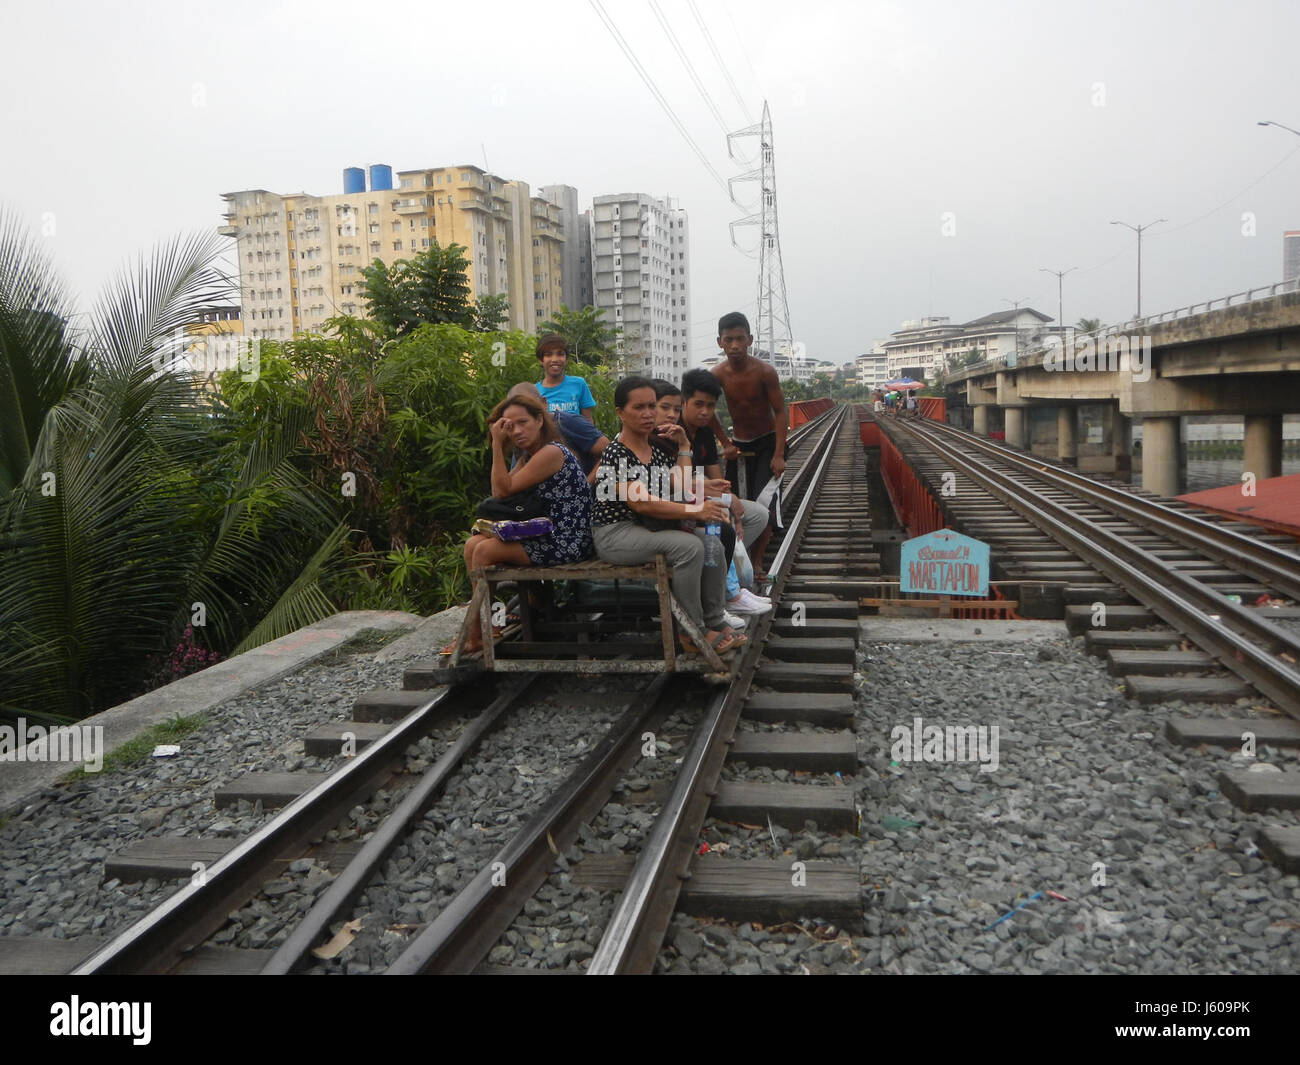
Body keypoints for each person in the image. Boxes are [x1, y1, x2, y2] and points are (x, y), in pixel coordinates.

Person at [592, 376, 745, 657]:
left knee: (712, 542)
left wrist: (684, 445)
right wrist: (695, 510)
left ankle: (714, 620)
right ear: (620, 413)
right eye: (639, 407)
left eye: (652, 406)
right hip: (616, 533)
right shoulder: (616, 452)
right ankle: (691, 630)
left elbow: (681, 485)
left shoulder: (654, 450)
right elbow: (641, 503)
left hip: (648, 528)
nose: (648, 413)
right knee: (689, 547)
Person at [455, 392, 593, 655]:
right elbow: (499, 492)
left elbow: (502, 490)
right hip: (547, 533)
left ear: (539, 421)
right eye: (510, 426)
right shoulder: (529, 456)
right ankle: (484, 629)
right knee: (472, 545)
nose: (517, 431)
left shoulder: (551, 452)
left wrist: (497, 445)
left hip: (569, 540)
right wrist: (498, 442)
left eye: (523, 422)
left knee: (483, 551)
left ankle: (475, 635)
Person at [679, 368, 772, 618]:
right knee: (719, 524)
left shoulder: (705, 433)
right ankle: (727, 591)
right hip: (685, 500)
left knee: (759, 515)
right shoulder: (674, 433)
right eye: (698, 404)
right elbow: (678, 484)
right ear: (683, 402)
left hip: (704, 495)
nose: (705, 412)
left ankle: (724, 575)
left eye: (710, 406)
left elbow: (716, 478)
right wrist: (722, 502)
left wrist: (731, 502)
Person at [706, 311, 787, 582]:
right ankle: (735, 557)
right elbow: (707, 409)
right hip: (738, 443)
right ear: (720, 342)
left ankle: (757, 562)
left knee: (764, 502)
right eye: (728, 340)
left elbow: (780, 411)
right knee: (732, 500)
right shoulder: (717, 374)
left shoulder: (764, 372)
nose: (735, 346)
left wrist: (778, 454)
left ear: (750, 340)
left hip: (767, 442)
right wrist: (724, 442)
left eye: (740, 339)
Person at [506, 382, 607, 482]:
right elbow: (509, 484)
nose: (525, 412)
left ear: (543, 403)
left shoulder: (566, 422)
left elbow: (608, 452)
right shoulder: (520, 434)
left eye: (530, 406)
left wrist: (587, 484)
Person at [535, 333, 596, 424]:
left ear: (566, 359)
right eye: (548, 355)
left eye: (560, 354)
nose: (555, 359)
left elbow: (588, 421)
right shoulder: (534, 392)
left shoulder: (579, 384)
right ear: (541, 360)